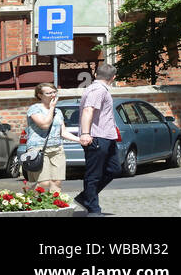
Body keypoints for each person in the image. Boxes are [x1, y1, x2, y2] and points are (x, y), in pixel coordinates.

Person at [76, 62, 121, 216]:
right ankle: (93, 208)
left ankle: (85, 197)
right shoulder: (97, 90)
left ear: (95, 74)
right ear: (114, 77)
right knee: (93, 175)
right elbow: (88, 110)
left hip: (107, 136)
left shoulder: (99, 89)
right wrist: (85, 133)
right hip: (96, 137)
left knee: (114, 169)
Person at [22, 82, 81, 194]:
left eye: (54, 92)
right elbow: (44, 125)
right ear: (40, 95)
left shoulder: (58, 112)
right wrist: (52, 108)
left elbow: (63, 132)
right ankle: (28, 197)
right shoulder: (34, 109)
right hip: (38, 149)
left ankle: (55, 206)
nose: (53, 95)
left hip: (57, 149)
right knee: (44, 183)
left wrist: (79, 140)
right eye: (49, 93)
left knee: (56, 182)